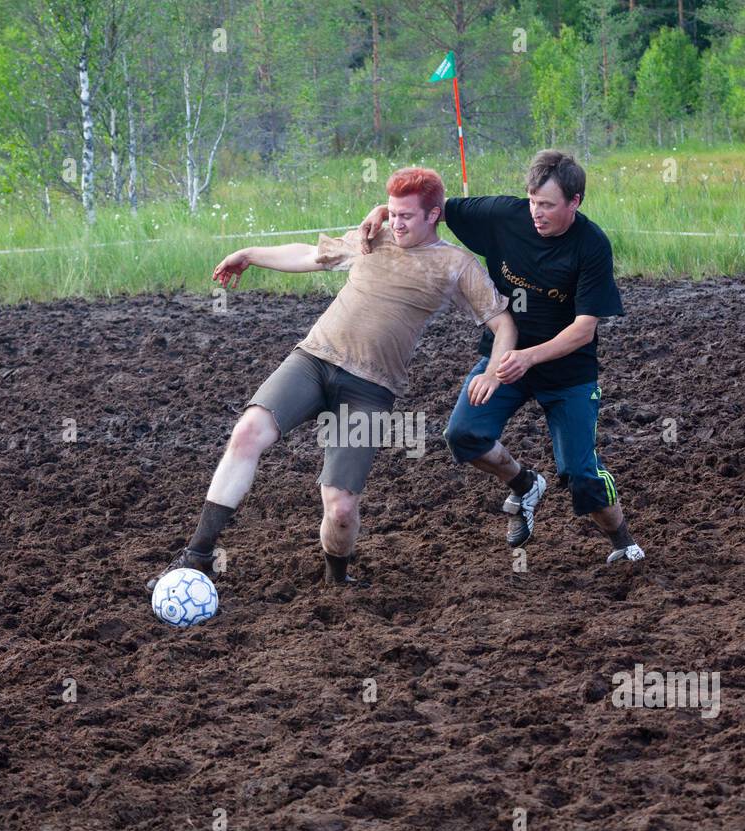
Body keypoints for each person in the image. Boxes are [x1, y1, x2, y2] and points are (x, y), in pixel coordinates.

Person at [163, 167, 517, 586]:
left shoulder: (456, 265)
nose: (396, 222)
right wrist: (250, 254)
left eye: (406, 215)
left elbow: (503, 323)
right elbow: (311, 256)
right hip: (314, 359)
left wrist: (495, 372)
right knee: (247, 432)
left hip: (371, 388)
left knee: (342, 508)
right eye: (392, 212)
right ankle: (198, 554)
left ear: (433, 215)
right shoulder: (372, 237)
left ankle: (336, 579)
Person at [359, 149, 644, 564]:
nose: (536, 213)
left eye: (547, 205)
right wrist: (381, 211)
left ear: (575, 202)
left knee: (580, 474)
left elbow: (585, 329)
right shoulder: (502, 214)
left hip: (568, 374)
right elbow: (428, 207)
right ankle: (525, 484)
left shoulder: (592, 245)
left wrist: (529, 358)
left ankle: (623, 542)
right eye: (532, 200)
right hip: (505, 356)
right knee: (463, 435)